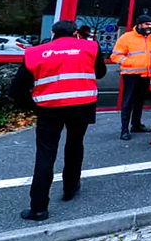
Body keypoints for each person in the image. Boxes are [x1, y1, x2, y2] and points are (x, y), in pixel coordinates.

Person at [9, 20, 107, 221]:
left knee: (45, 154)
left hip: (49, 108)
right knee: (75, 144)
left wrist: (34, 106)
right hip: (82, 105)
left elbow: (17, 89)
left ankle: (38, 208)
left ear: (52, 33)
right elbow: (101, 72)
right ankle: (70, 187)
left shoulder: (35, 52)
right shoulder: (90, 47)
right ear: (75, 33)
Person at [111, 15, 151, 141]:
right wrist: (131, 63)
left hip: (147, 75)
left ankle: (136, 125)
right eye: (147, 24)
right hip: (131, 75)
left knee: (140, 101)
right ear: (139, 24)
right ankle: (124, 130)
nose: (149, 27)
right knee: (128, 102)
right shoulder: (126, 37)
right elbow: (115, 56)